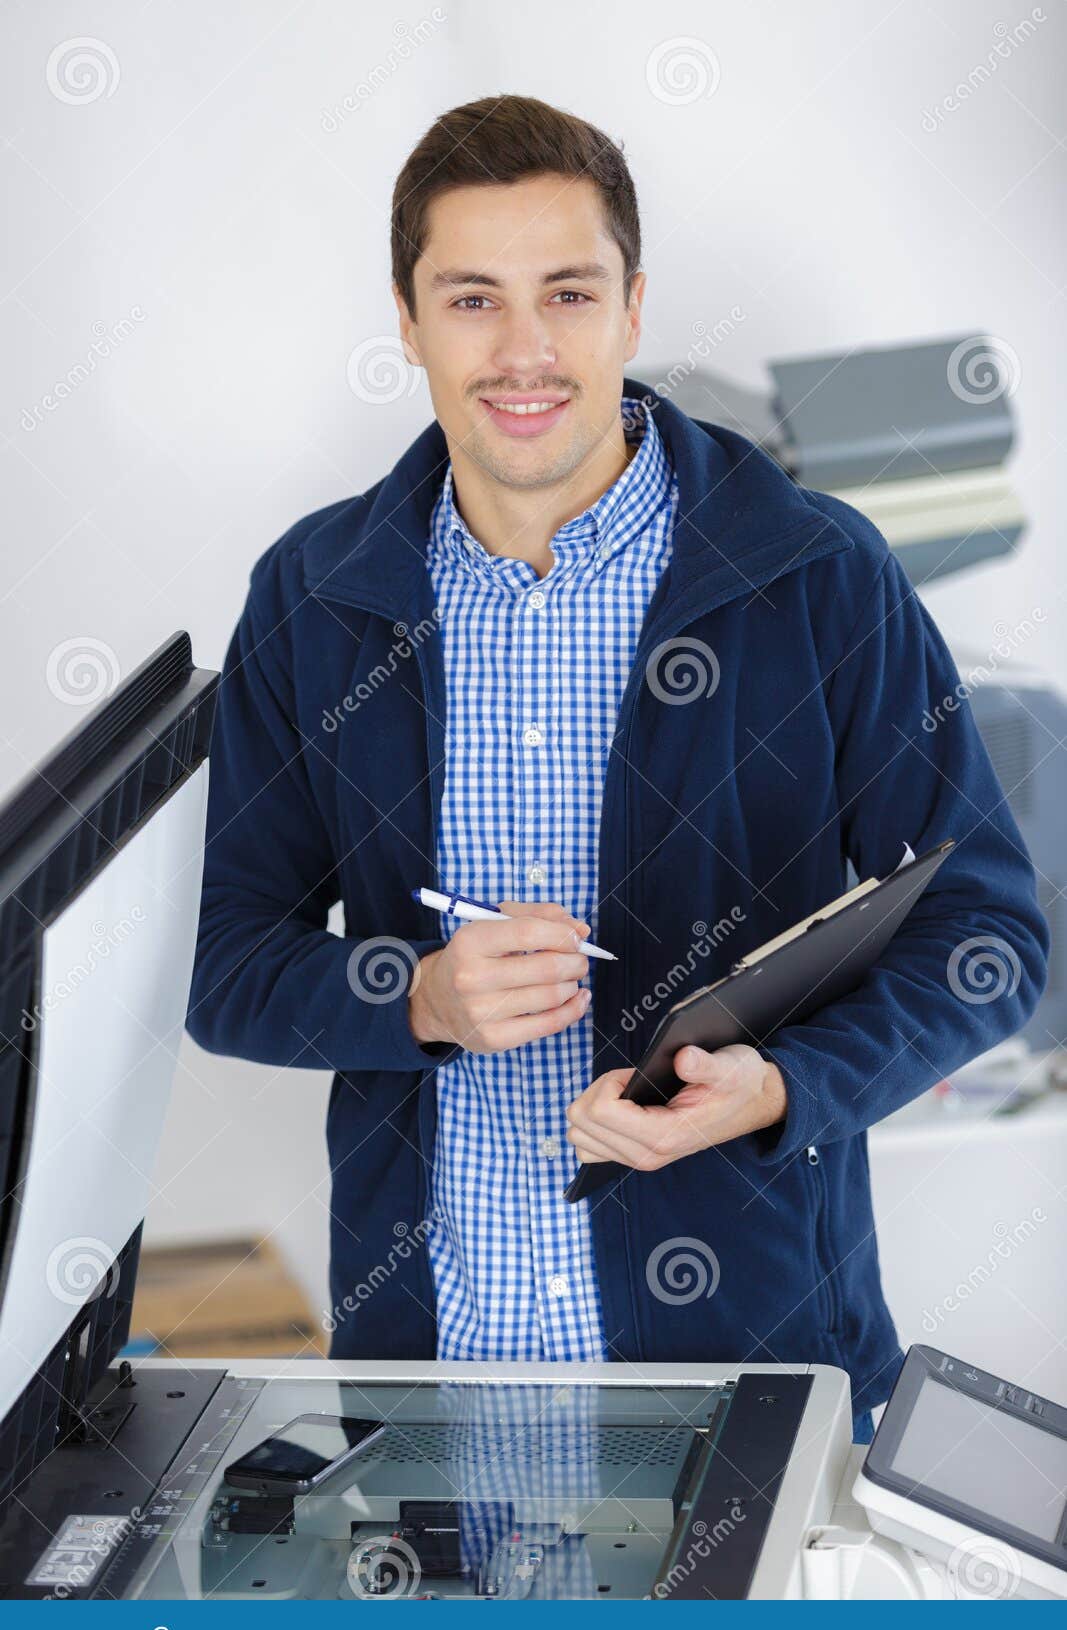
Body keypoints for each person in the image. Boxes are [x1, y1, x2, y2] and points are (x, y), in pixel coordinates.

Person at [186, 94, 1049, 1442]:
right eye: (472, 299)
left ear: (633, 310)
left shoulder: (818, 578)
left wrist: (783, 1088)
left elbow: (988, 935)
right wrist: (409, 996)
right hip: (432, 1396)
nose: (524, 350)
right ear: (406, 321)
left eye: (569, 293)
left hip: (749, 1379)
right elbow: (224, 961)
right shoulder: (316, 596)